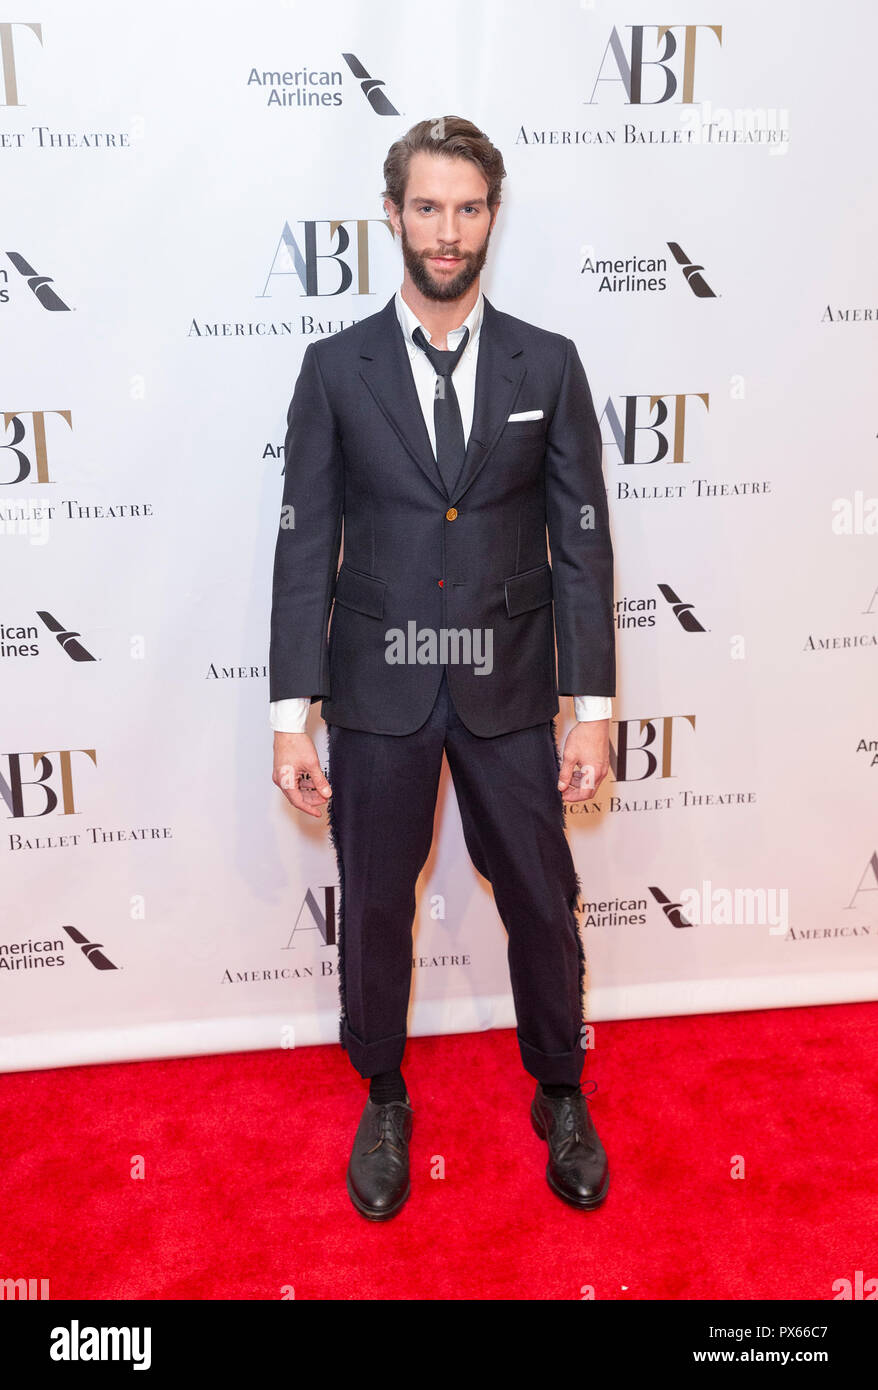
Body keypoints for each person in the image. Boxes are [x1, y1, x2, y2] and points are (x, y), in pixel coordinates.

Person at [269, 116, 616, 1220]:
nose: (447, 230)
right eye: (427, 207)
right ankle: (382, 1094)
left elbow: (582, 544)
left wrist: (592, 706)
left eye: (467, 208)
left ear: (492, 217)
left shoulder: (548, 363)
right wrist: (289, 716)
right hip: (377, 686)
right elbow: (303, 546)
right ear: (392, 216)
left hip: (511, 684)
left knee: (542, 898)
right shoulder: (335, 369)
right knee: (376, 903)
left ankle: (559, 1089)